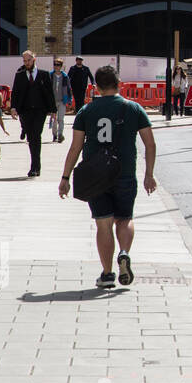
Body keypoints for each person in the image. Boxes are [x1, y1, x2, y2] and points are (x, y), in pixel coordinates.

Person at [58, 65, 157, 289]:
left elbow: (75, 148)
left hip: (96, 176)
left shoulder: (86, 111)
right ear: (119, 83)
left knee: (103, 225)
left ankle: (107, 273)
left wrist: (65, 178)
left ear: (96, 87)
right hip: (125, 173)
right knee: (125, 218)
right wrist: (149, 174)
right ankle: (124, 253)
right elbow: (150, 144)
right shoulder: (134, 108)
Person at [11, 50, 55, 177]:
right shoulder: (19, 75)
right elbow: (15, 92)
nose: (26, 63)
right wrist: (13, 108)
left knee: (36, 135)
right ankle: (34, 165)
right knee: (31, 137)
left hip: (40, 110)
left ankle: (35, 166)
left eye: (28, 60)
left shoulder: (44, 75)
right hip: (25, 110)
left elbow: (49, 93)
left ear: (34, 59)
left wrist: (53, 110)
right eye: (24, 61)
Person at [49, 58, 72, 143]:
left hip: (62, 100)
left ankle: (60, 135)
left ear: (61, 66)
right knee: (54, 119)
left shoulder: (65, 76)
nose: (56, 66)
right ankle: (54, 135)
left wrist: (69, 100)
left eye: (58, 65)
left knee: (61, 119)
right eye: (55, 64)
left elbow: (68, 88)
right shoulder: (50, 75)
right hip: (53, 101)